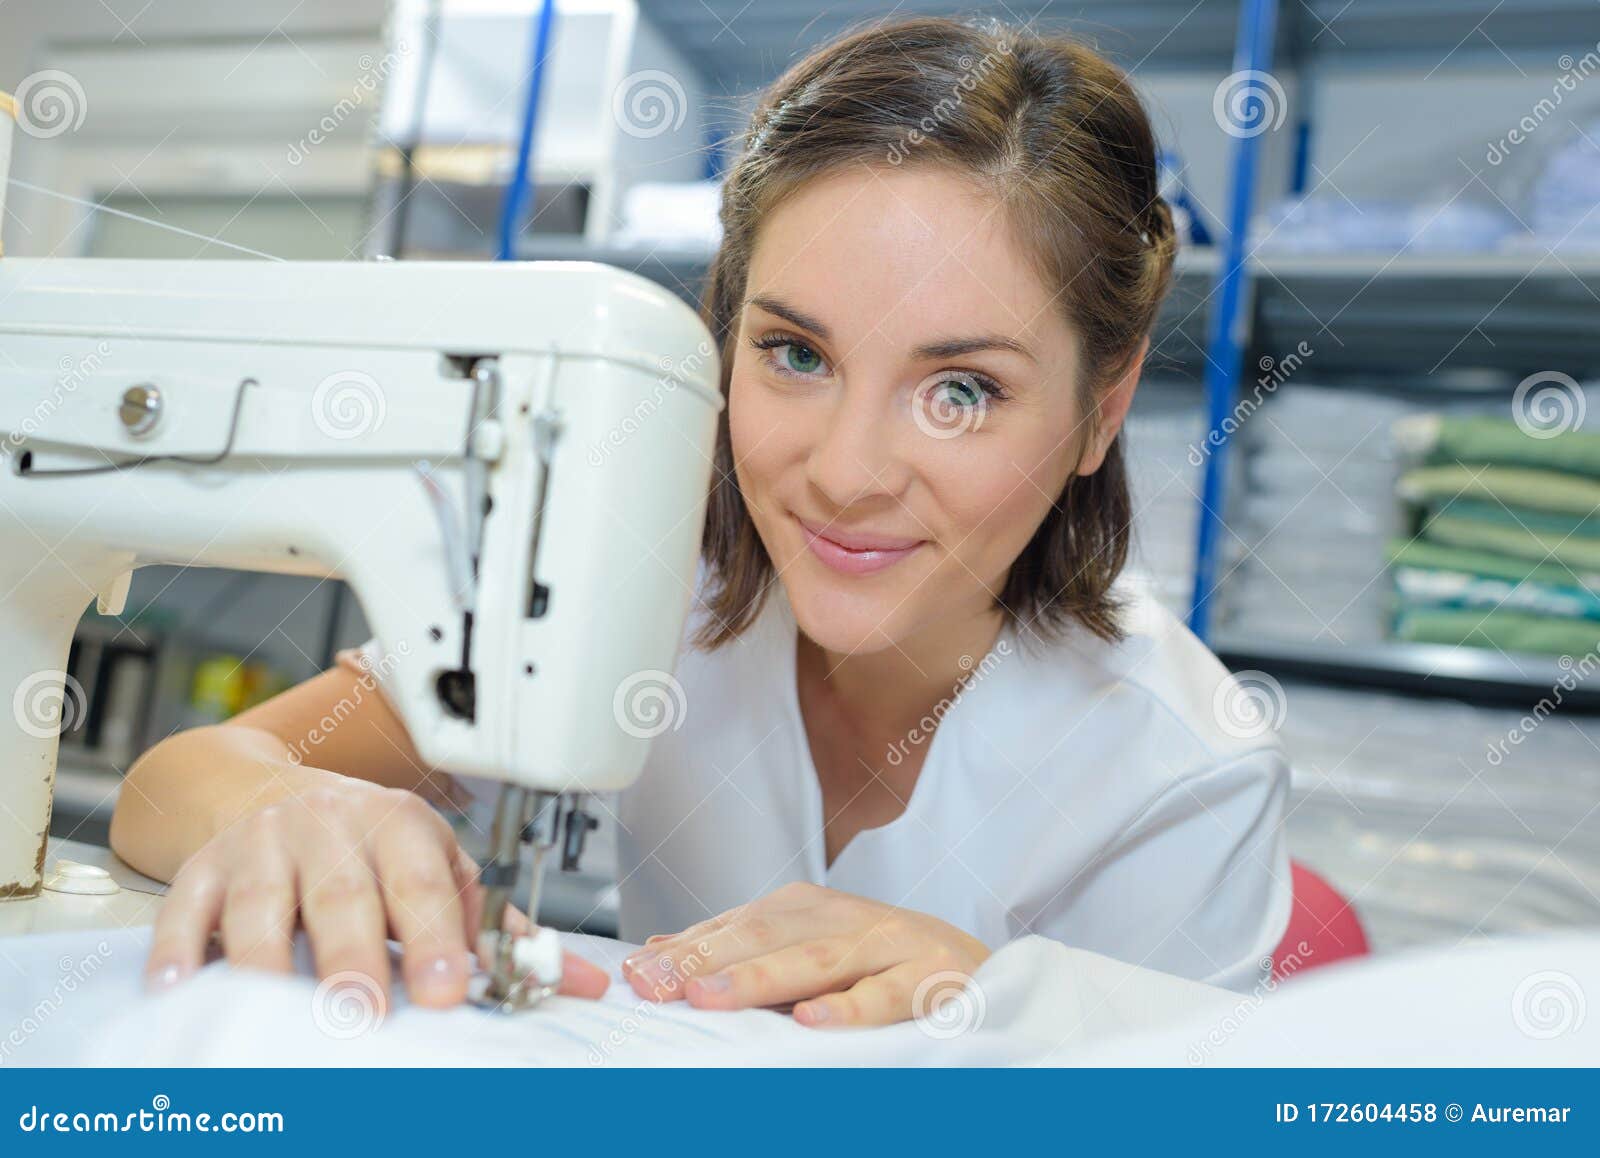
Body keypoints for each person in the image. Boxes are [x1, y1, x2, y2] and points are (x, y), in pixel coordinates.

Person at [110, 15, 1291, 1029]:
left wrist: (1008, 1009)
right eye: (795, 354)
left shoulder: (1185, 775)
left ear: (1102, 410)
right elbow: (179, 776)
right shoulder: (636, 588)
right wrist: (297, 814)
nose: (844, 472)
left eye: (960, 391)